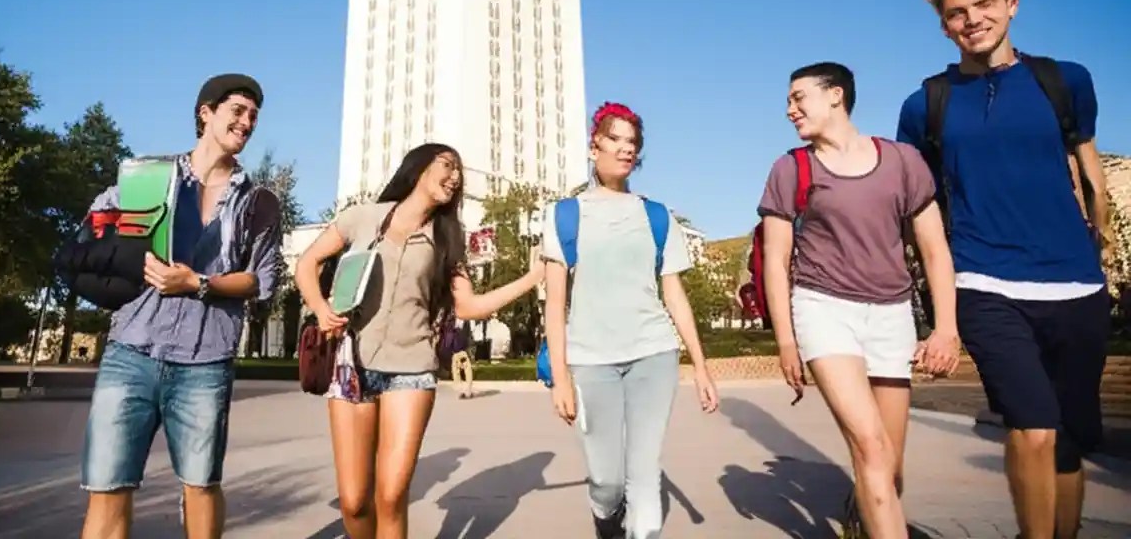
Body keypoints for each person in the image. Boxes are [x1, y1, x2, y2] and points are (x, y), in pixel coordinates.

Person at [897, 0, 1111, 539]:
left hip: (1076, 281)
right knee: (1033, 426)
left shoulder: (1065, 81)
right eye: (958, 12)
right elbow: (917, 207)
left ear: (1011, 6)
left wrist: (1104, 246)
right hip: (985, 281)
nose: (973, 19)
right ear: (944, 25)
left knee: (1069, 440)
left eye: (984, 4)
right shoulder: (925, 106)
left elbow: (1090, 171)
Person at [294, 143, 544, 539]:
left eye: (459, 172)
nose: (455, 177)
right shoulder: (363, 218)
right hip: (351, 368)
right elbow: (307, 262)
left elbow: (468, 306)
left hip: (411, 371)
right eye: (447, 165)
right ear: (419, 168)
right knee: (355, 502)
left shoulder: (446, 240)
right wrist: (321, 307)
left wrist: (532, 280)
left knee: (391, 497)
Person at [759, 62, 961, 539]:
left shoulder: (903, 161)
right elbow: (775, 259)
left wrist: (946, 326)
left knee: (889, 467)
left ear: (835, 96)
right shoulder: (791, 168)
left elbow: (934, 248)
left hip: (892, 315)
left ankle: (860, 517)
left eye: (797, 97)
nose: (789, 109)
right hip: (824, 309)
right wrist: (786, 339)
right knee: (870, 446)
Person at [79, 74, 283, 539]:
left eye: (253, 115)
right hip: (131, 352)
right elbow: (93, 230)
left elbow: (262, 280)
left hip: (204, 362)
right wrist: (117, 245)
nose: (247, 122)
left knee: (202, 485)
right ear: (205, 113)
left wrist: (200, 282)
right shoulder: (148, 174)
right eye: (237, 110)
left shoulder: (260, 203)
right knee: (107, 487)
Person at [541, 102, 719, 539]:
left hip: (653, 355)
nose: (625, 149)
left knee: (644, 475)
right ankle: (606, 519)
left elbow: (673, 294)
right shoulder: (564, 214)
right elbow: (555, 304)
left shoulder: (657, 215)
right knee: (607, 481)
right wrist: (561, 377)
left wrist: (700, 366)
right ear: (593, 146)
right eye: (615, 139)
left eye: (632, 142)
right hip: (590, 360)